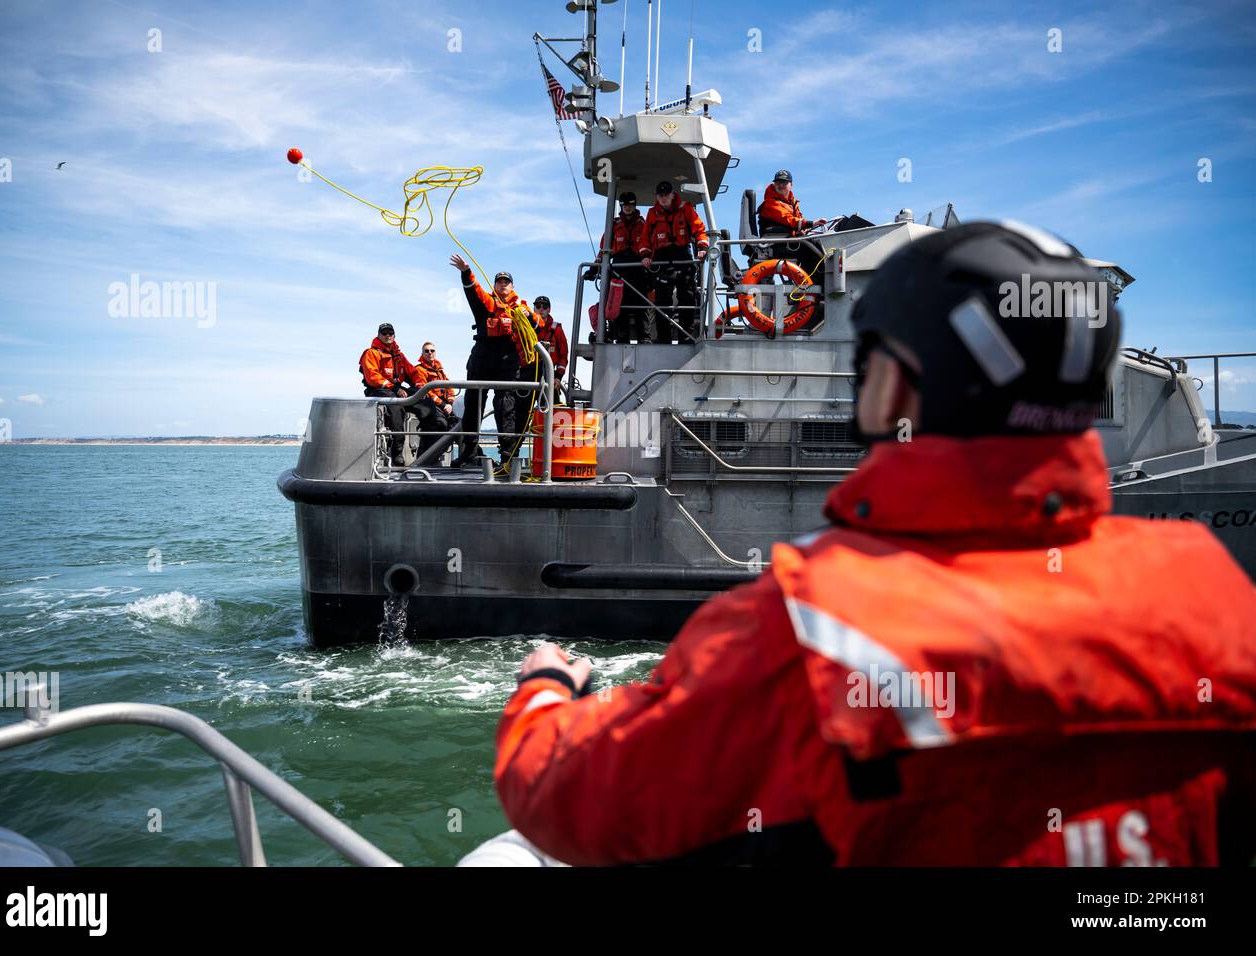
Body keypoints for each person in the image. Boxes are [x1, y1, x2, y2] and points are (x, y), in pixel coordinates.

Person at [489, 221, 1256, 866]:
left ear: (894, 387)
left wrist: (543, 691)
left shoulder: (810, 625)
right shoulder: (1216, 596)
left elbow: (572, 798)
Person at [449, 255, 536, 473]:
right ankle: (468, 453)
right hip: (482, 356)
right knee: (473, 404)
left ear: (513, 286)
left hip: (508, 359)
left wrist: (530, 315)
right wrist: (466, 271)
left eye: (506, 282)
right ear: (495, 285)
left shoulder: (522, 309)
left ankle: (507, 456)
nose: (503, 284)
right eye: (499, 281)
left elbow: (537, 325)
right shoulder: (487, 303)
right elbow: (473, 290)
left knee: (506, 404)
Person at [359, 323, 447, 467]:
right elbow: (372, 377)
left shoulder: (399, 356)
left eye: (390, 333)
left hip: (397, 390)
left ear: (394, 335)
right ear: (379, 335)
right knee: (397, 408)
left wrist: (420, 387)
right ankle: (397, 452)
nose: (388, 335)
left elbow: (413, 373)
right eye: (384, 333)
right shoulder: (371, 353)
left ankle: (427, 454)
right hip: (378, 390)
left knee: (427, 405)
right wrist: (394, 387)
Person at [640, 181, 709, 344]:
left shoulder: (686, 209)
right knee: (662, 299)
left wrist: (702, 246)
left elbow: (699, 229)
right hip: (661, 258)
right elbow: (644, 238)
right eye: (660, 196)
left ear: (672, 195)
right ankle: (664, 337)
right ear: (657, 197)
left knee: (687, 296)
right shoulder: (652, 213)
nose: (663, 199)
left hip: (682, 254)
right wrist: (645, 255)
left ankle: (687, 336)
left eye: (666, 195)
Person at [596, 191, 651, 343]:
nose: (628, 208)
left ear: (634, 205)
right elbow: (604, 248)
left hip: (638, 267)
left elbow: (649, 245)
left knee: (641, 303)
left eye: (630, 205)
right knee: (619, 303)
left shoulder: (643, 224)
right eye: (625, 205)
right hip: (619, 268)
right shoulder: (613, 225)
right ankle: (621, 337)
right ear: (621, 206)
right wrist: (596, 265)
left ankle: (644, 337)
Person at [757, 169, 825, 277]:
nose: (781, 185)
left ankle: (812, 281)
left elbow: (799, 220)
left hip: (789, 240)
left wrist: (803, 230)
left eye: (784, 182)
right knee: (814, 247)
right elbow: (788, 219)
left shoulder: (791, 203)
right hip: (775, 245)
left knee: (817, 242)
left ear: (791, 185)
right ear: (774, 184)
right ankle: (814, 282)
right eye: (778, 182)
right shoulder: (770, 203)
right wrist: (813, 223)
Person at [415, 341, 458, 458]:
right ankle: (427, 458)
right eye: (426, 351)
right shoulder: (420, 370)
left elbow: (449, 388)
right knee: (440, 424)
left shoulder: (440, 370)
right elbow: (424, 390)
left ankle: (471, 457)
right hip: (433, 406)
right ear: (422, 353)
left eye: (432, 351)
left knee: (459, 425)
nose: (429, 353)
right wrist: (443, 404)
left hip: (444, 406)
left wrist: (449, 403)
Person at [532, 296, 568, 402]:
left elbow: (563, 355)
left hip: (549, 375)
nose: (541, 309)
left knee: (553, 410)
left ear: (549, 309)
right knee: (523, 410)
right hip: (529, 373)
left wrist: (558, 377)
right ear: (534, 309)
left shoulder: (556, 330)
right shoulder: (527, 328)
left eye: (545, 306)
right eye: (538, 306)